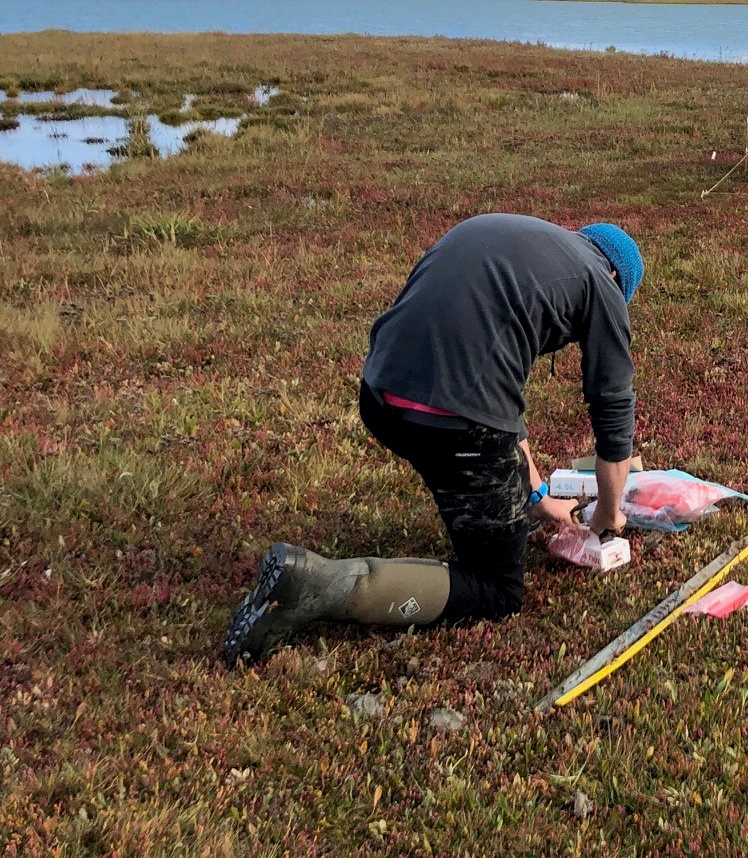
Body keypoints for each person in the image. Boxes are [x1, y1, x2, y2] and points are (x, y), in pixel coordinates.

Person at [221, 214, 643, 665]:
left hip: (381, 397)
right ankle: (317, 586)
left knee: (479, 469)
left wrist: (536, 496)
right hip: (451, 422)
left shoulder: (517, 242)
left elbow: (497, 388)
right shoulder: (602, 284)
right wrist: (608, 516)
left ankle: (474, 501)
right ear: (617, 276)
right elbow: (614, 417)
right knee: (497, 589)